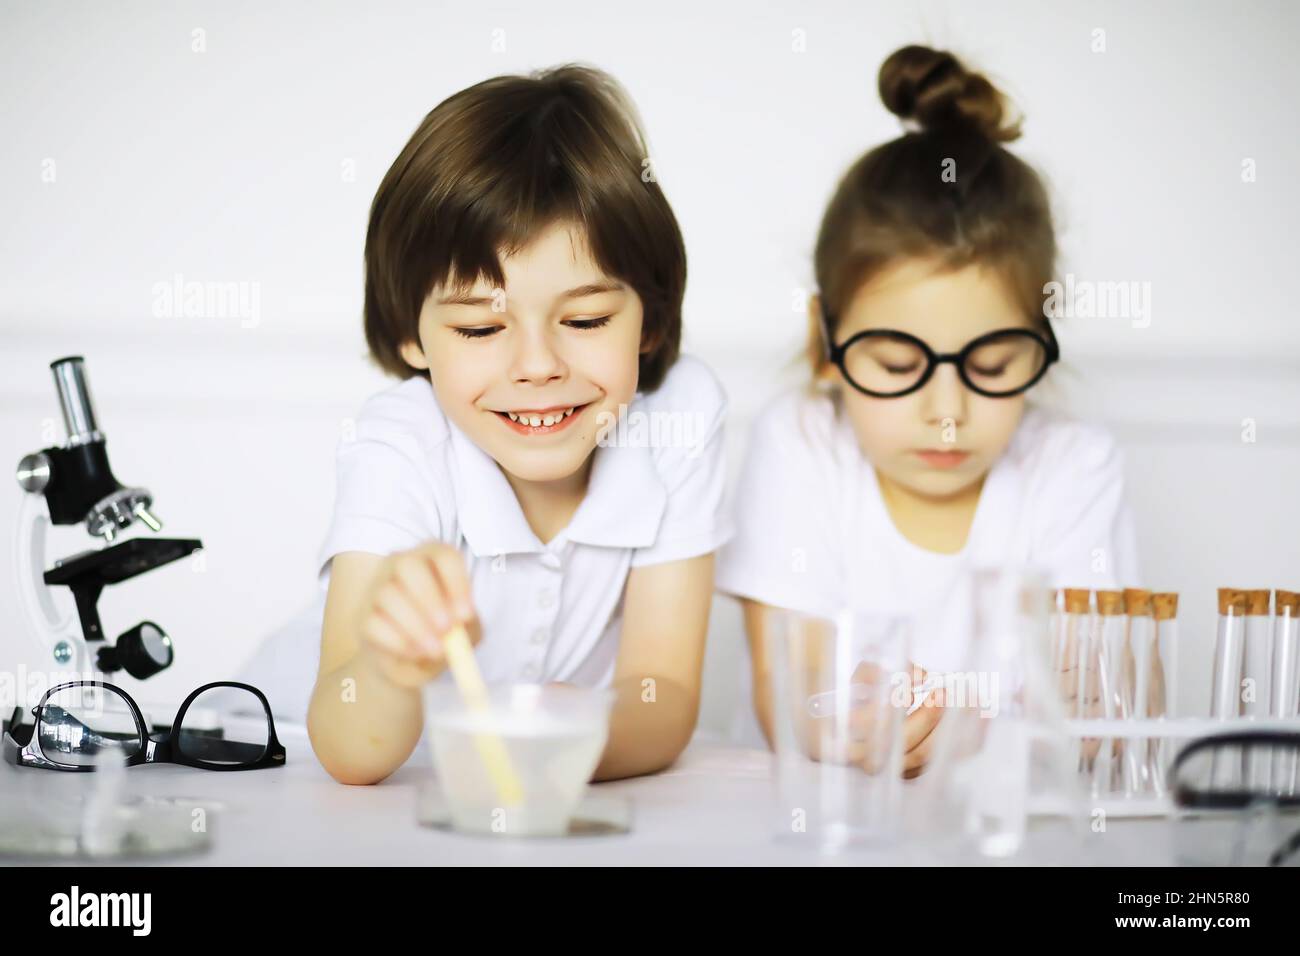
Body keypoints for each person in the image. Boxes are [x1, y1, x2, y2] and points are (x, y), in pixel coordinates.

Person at [308, 65, 731, 785]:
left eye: (586, 320)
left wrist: (559, 741)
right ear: (412, 334)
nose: (537, 366)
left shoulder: (679, 420)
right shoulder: (400, 446)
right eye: (479, 328)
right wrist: (390, 668)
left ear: (651, 320)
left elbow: (663, 695)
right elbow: (348, 751)